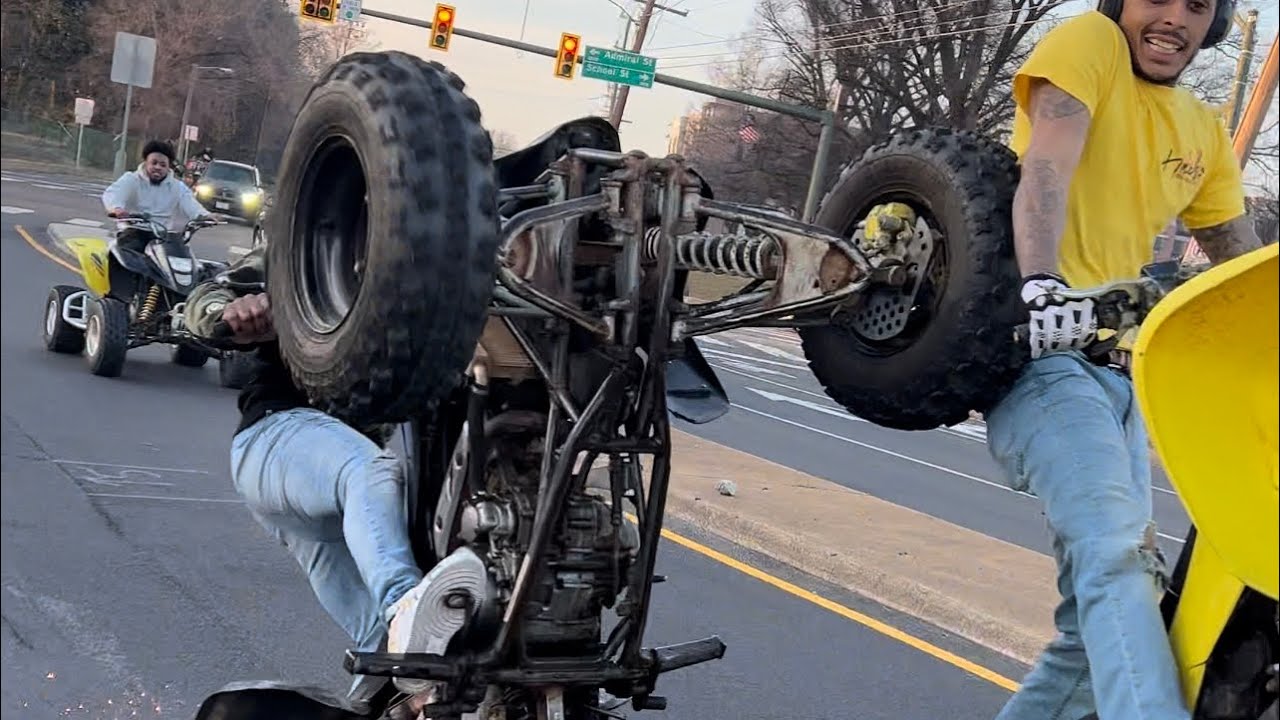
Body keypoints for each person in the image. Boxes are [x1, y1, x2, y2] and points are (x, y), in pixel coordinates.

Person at [984, 0, 1262, 718]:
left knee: (1088, 640)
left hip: (1120, 380)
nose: (1174, 18)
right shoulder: (1092, 45)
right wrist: (1041, 281)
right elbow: (1047, 161)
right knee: (1117, 561)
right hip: (1039, 356)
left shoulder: (1201, 129)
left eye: (1198, 7)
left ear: (1217, 26)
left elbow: (1241, 261)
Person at [183, 248, 450, 708]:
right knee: (369, 475)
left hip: (343, 498)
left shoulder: (454, 262)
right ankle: (405, 610)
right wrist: (231, 311)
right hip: (280, 438)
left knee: (381, 652)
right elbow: (205, 301)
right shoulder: (314, 242)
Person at [101, 140, 217, 250]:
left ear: (168, 167)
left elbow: (191, 205)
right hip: (132, 233)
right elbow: (114, 194)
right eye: (154, 163)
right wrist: (117, 209)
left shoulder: (177, 187)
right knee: (126, 262)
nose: (158, 167)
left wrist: (206, 216)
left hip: (163, 238)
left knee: (182, 259)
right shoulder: (131, 179)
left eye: (162, 165)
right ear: (146, 162)